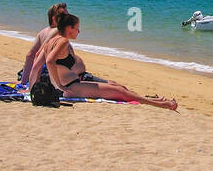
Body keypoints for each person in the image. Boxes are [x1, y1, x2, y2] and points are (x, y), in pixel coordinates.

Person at [28, 12, 176, 111]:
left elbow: (37, 64)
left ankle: (153, 100)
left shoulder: (50, 41)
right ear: (69, 28)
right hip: (71, 87)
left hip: (70, 85)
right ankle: (162, 105)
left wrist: (32, 88)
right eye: (77, 29)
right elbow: (49, 60)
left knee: (115, 86)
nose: (78, 32)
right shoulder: (63, 41)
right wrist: (58, 84)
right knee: (119, 92)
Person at [18, 2, 68, 87]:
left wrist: (24, 81)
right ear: (54, 18)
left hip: (38, 73)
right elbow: (39, 57)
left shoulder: (43, 32)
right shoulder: (59, 32)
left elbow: (30, 55)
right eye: (65, 16)